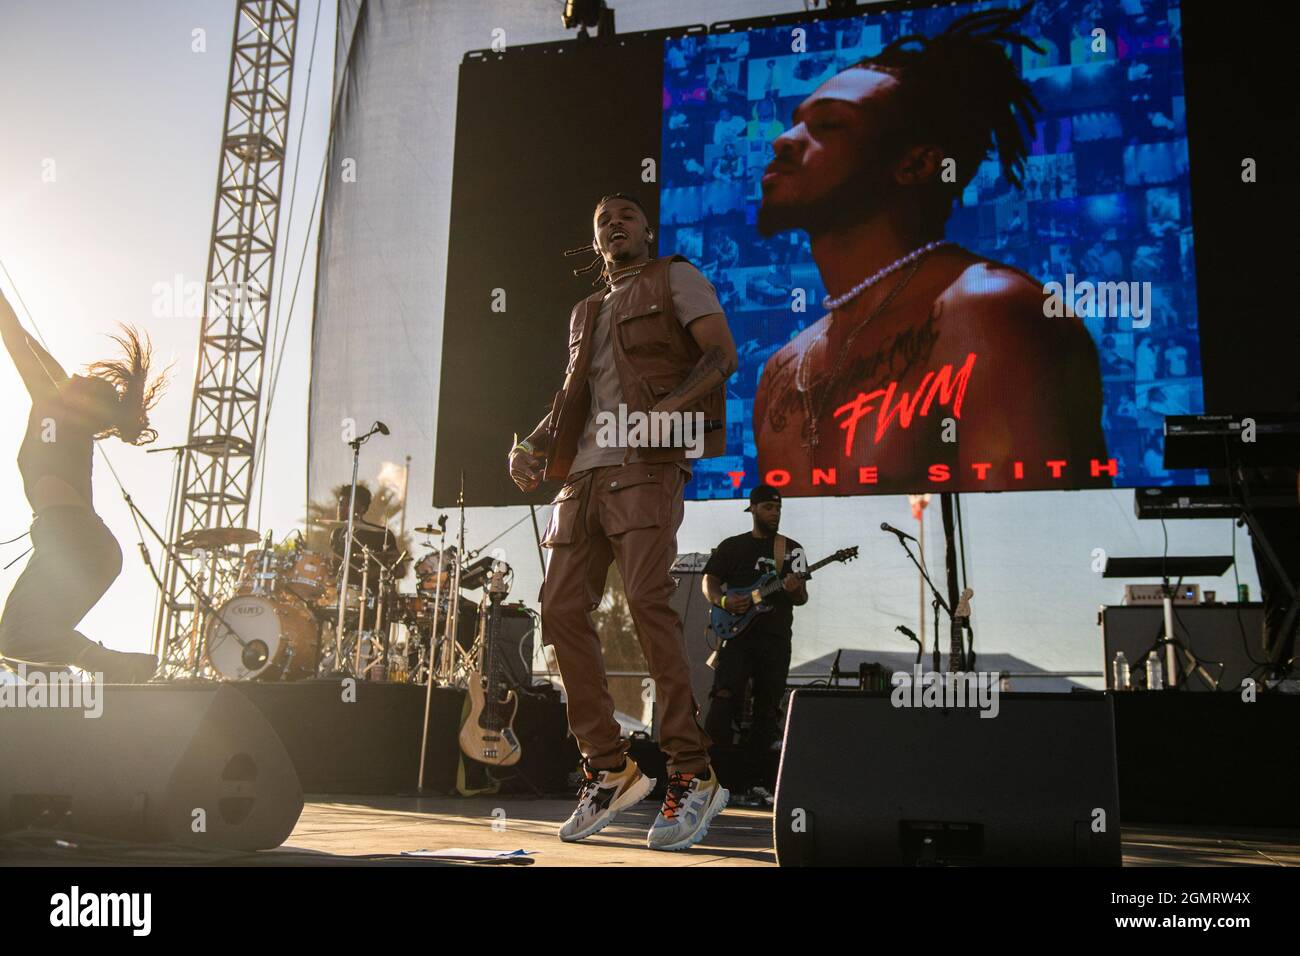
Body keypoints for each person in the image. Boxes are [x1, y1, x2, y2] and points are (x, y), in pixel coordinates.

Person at [752, 7, 1110, 494]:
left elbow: (1033, 543)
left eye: (830, 124)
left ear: (916, 164)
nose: (785, 141)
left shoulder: (988, 310)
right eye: (796, 122)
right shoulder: (782, 368)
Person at [508, 193, 737, 851]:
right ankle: (609, 767)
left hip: (645, 464)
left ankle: (692, 773)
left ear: (646, 230)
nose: (612, 221)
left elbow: (721, 356)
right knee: (558, 610)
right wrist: (533, 445)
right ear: (596, 239)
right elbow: (571, 394)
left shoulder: (675, 278)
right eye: (601, 217)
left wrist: (666, 411)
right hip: (582, 476)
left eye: (625, 214)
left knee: (646, 601)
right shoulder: (585, 312)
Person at [0, 289, 166, 681]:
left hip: (74, 542)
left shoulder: (56, 401)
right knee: (26, 644)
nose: (74, 374)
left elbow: (12, 335)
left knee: (16, 638)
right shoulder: (62, 405)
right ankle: (74, 693)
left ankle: (115, 667)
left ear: (82, 398)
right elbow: (23, 338)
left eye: (83, 379)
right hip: (83, 546)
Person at [702, 484, 807, 806]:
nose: (774, 514)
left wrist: (791, 588)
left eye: (778, 509)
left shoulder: (792, 550)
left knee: (767, 709)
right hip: (737, 638)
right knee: (723, 699)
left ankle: (756, 783)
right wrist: (722, 599)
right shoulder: (733, 547)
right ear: (753, 510)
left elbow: (801, 598)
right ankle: (709, 778)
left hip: (775, 640)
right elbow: (710, 581)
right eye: (768, 508)